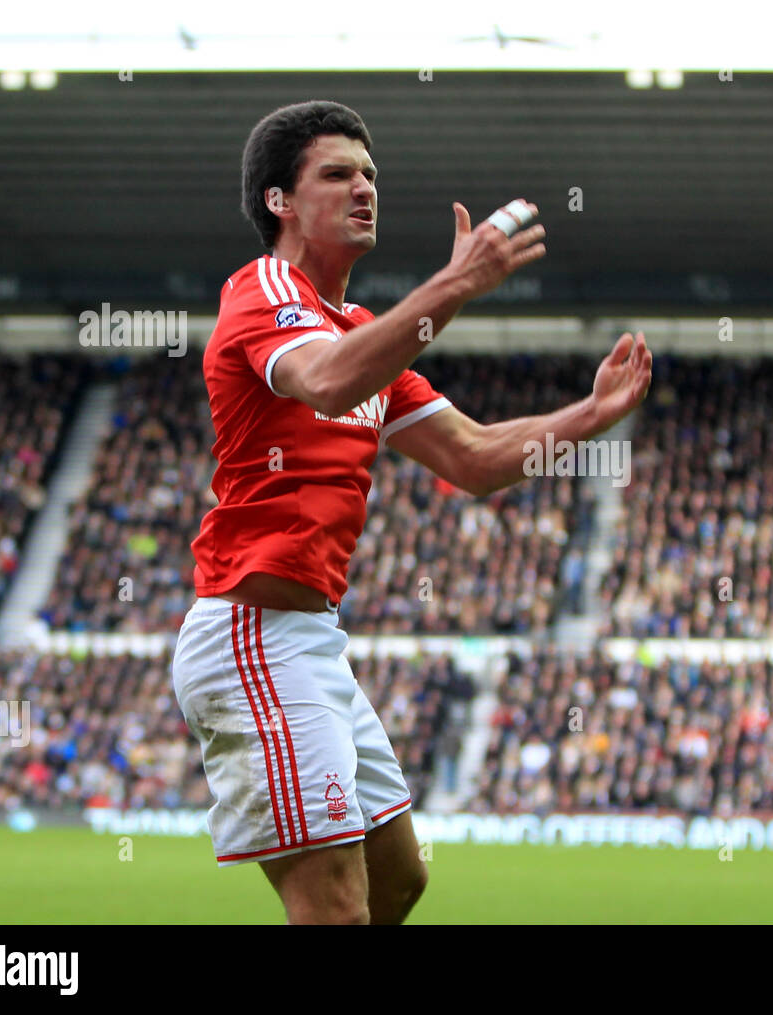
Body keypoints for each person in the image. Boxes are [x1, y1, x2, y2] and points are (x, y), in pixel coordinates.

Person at [170, 100, 652, 924]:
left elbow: (474, 458)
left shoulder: (361, 330)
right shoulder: (263, 292)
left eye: (370, 175)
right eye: (336, 174)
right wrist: (460, 279)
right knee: (337, 908)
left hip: (310, 641)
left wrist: (589, 417)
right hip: (252, 632)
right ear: (280, 202)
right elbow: (326, 380)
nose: (363, 188)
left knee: (399, 883)